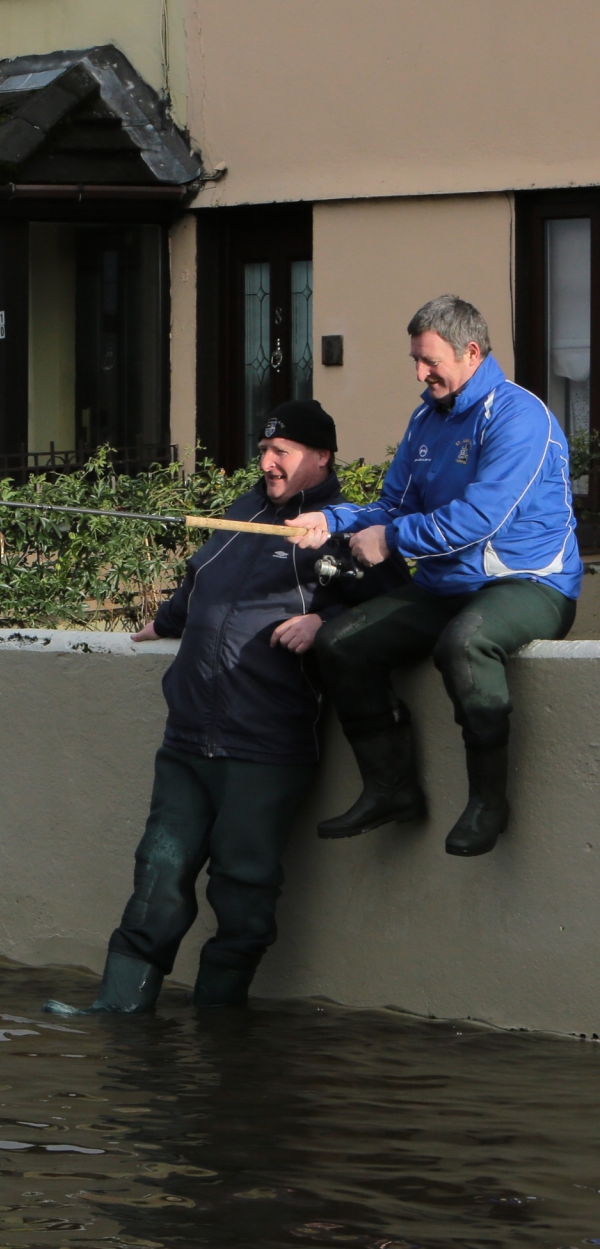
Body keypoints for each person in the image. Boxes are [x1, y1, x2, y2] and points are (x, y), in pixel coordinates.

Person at [47, 400, 403, 1015]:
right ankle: (118, 1011)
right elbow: (200, 581)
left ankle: (218, 1031)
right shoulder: (243, 511)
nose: (267, 463)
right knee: (156, 879)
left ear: (321, 457)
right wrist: (165, 622)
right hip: (187, 739)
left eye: (281, 452)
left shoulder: (347, 532)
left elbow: (396, 607)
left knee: (243, 891)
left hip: (264, 748)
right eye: (264, 450)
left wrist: (326, 622)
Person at [295, 295, 580, 857]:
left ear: (471, 352)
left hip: (529, 583)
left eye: (430, 361)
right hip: (448, 586)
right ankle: (391, 789)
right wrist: (330, 520)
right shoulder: (426, 418)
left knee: (465, 644)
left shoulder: (519, 416)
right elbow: (392, 506)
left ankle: (488, 804)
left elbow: (480, 519)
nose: (420, 374)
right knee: (340, 643)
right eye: (415, 361)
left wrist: (391, 540)